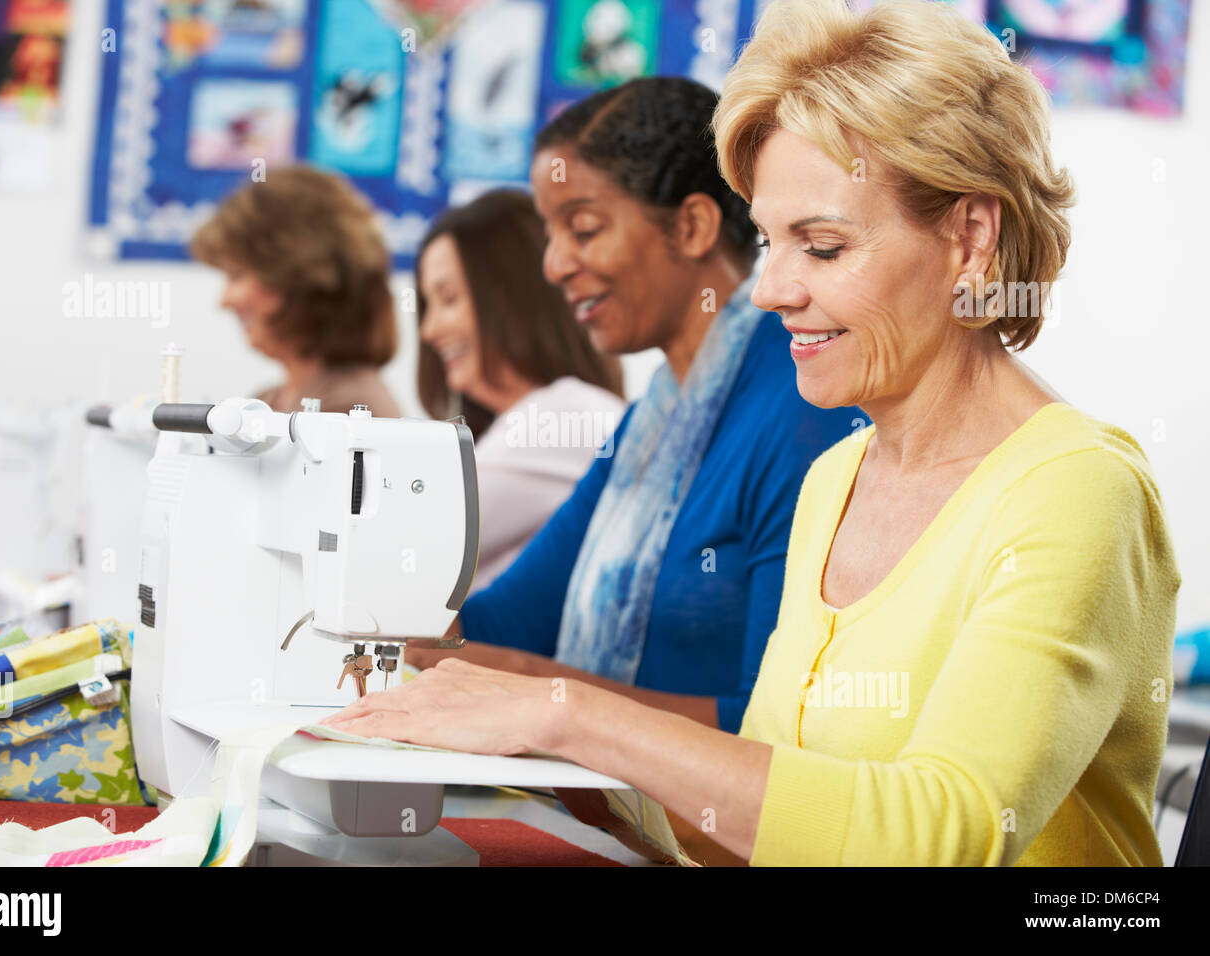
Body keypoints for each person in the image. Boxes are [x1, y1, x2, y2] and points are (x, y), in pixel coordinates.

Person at [326, 0, 1181, 866]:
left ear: (970, 237)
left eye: (821, 246)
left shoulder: (1077, 489)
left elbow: (942, 835)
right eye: (770, 241)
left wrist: (562, 713)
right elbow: (763, 816)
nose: (769, 289)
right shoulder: (838, 475)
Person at [406, 77, 863, 735]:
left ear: (693, 226)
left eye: (584, 229)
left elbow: (773, 727)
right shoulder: (653, 424)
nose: (555, 265)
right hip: (619, 821)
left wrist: (551, 698)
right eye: (550, 235)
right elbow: (503, 626)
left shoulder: (804, 410)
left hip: (701, 834)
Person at [416, 190, 625, 591]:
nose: (429, 330)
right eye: (427, 304)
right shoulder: (549, 415)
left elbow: (405, 532)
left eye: (449, 299)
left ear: (511, 297)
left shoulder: (565, 415)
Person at [191, 164, 402, 417]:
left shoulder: (349, 411)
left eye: (237, 275)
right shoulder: (267, 401)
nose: (223, 301)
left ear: (296, 278)